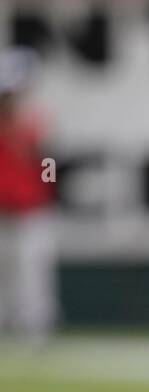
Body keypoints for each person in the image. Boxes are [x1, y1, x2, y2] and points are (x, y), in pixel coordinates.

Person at [0, 47, 58, 347]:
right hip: (3, 211)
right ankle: (7, 325)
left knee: (32, 272)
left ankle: (35, 329)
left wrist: (43, 189)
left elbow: (47, 166)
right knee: (5, 273)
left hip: (31, 210)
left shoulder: (35, 121)